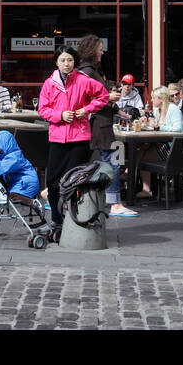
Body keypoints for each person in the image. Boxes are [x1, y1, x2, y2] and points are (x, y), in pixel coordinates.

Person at [37, 46, 110, 240]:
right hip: (58, 138)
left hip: (79, 138)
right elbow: (42, 109)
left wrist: (86, 109)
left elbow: (103, 96)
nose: (66, 64)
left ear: (74, 62)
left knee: (76, 182)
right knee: (52, 182)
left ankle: (74, 220)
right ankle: (56, 219)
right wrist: (60, 115)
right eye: (63, 60)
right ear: (56, 62)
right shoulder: (49, 84)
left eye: (69, 60)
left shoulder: (84, 80)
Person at [89, 78, 138, 218]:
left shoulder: (111, 104)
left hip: (105, 135)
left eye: (117, 90)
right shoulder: (101, 100)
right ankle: (114, 203)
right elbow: (92, 105)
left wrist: (129, 115)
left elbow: (122, 113)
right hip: (103, 136)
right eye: (114, 91)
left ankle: (112, 199)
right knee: (114, 164)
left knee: (114, 164)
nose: (117, 93)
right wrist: (107, 97)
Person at [138, 86, 183, 197]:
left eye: (153, 98)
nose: (152, 100)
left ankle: (144, 188)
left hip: (172, 149)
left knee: (142, 158)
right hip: (160, 144)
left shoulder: (173, 109)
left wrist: (159, 127)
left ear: (162, 99)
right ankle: (132, 178)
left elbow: (178, 129)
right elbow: (156, 127)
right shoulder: (157, 111)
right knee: (139, 150)